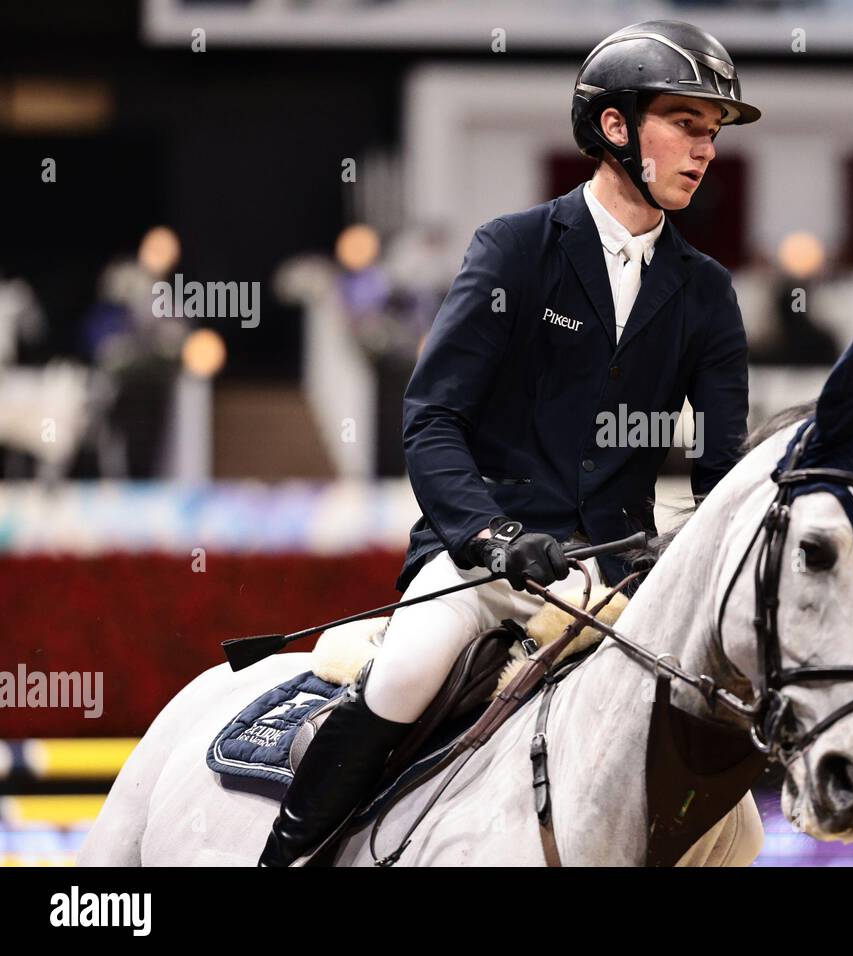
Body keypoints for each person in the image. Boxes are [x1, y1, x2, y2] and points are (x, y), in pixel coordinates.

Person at [260, 19, 761, 866]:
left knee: (739, 831)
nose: (703, 149)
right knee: (411, 669)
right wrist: (492, 537)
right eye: (684, 123)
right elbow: (432, 419)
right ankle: (290, 859)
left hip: (613, 587)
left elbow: (721, 475)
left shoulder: (707, 293)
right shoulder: (517, 249)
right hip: (488, 565)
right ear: (615, 125)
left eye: (710, 133)